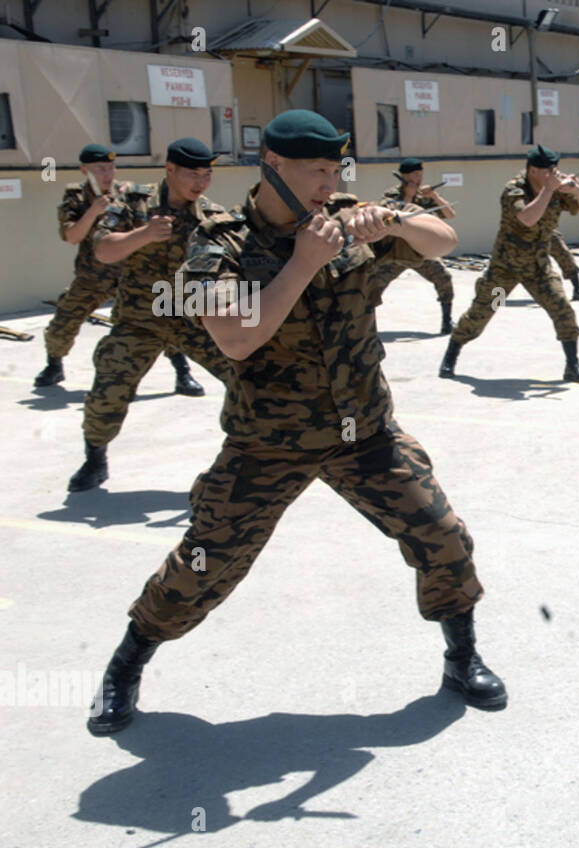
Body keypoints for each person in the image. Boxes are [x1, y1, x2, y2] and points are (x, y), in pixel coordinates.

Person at [85, 108, 507, 735]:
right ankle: (127, 663)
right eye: (316, 168)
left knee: (442, 537)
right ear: (273, 164)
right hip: (267, 443)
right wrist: (304, 261)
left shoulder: (345, 215)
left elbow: (444, 240)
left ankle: (461, 657)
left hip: (364, 433)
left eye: (335, 167)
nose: (327, 180)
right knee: (203, 563)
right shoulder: (217, 244)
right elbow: (234, 339)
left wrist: (394, 219)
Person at [67, 138, 236, 493]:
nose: (201, 182)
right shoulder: (131, 201)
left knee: (246, 378)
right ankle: (95, 458)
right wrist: (143, 235)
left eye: (207, 174)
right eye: (193, 173)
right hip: (140, 320)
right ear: (170, 170)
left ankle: (241, 459)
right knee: (109, 387)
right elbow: (103, 251)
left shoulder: (212, 216)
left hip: (192, 321)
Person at [35, 144, 202, 394]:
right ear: (85, 170)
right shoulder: (76, 197)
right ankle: (54, 365)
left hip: (130, 275)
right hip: (92, 275)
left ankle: (183, 373)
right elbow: (71, 236)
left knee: (163, 318)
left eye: (111, 168)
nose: (107, 175)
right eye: (100, 169)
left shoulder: (129, 194)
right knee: (64, 320)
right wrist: (93, 211)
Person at [438, 145, 579, 382]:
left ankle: (572, 366)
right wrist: (549, 191)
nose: (555, 174)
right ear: (533, 170)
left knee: (562, 310)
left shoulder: (554, 188)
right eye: (550, 170)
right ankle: (450, 358)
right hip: (506, 271)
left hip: (538, 269)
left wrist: (575, 189)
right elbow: (528, 219)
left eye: (557, 169)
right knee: (481, 313)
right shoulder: (514, 190)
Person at [373, 157, 458, 332]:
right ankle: (365, 325)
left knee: (444, 279)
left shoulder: (425, 197)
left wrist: (434, 195)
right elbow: (395, 215)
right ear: (404, 176)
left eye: (421, 175)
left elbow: (450, 214)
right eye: (415, 175)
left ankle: (447, 321)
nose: (419, 179)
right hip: (396, 252)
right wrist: (409, 196)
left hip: (421, 250)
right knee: (373, 287)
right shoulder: (391, 195)